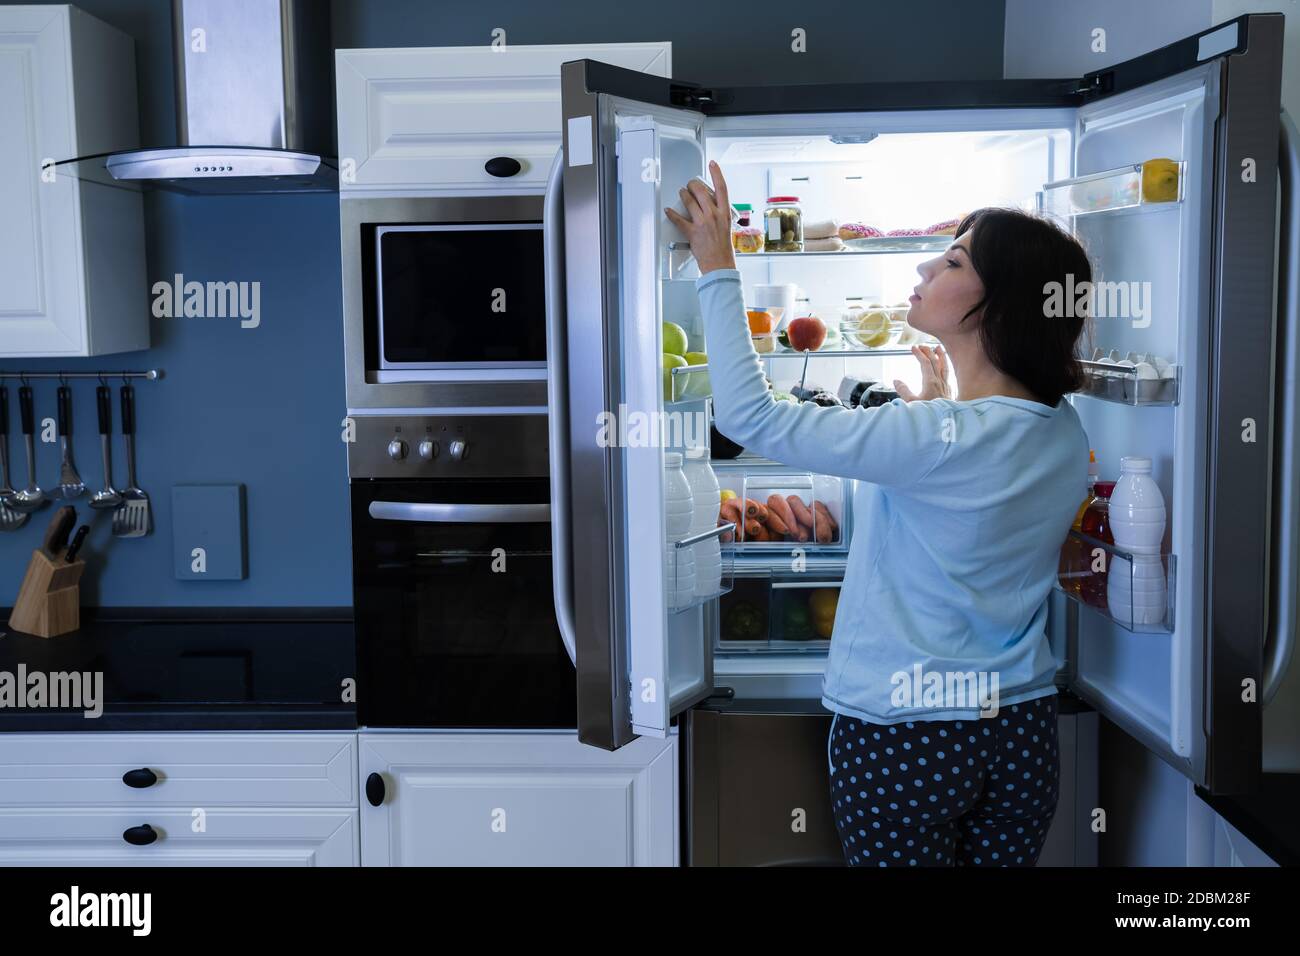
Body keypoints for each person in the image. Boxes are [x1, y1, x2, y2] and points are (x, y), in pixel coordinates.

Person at [666, 162, 1092, 867]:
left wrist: (719, 267)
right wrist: (937, 408)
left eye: (954, 259)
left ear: (998, 305)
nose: (927, 265)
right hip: (1020, 728)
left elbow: (749, 418)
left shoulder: (929, 439)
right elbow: (974, 496)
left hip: (907, 732)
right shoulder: (1063, 427)